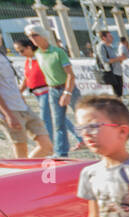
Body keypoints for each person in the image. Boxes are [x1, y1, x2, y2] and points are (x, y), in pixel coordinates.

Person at [24, 24, 78, 157]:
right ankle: (61, 153)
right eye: (30, 36)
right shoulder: (37, 54)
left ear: (43, 35)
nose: (32, 38)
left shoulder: (58, 52)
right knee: (58, 123)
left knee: (84, 119)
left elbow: (70, 75)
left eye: (35, 35)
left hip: (68, 88)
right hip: (52, 90)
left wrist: (67, 93)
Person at [1, 52, 53, 157]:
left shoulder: (3, 56)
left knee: (47, 146)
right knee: (21, 150)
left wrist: (20, 96)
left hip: (22, 106)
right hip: (9, 110)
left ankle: (26, 165)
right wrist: (8, 115)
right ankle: (23, 166)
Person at [95, 30, 127, 97]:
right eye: (109, 36)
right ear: (104, 38)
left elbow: (114, 57)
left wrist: (120, 59)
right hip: (112, 72)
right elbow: (104, 60)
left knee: (119, 93)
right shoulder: (101, 46)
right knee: (117, 93)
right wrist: (119, 58)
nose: (112, 38)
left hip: (118, 71)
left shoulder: (110, 46)